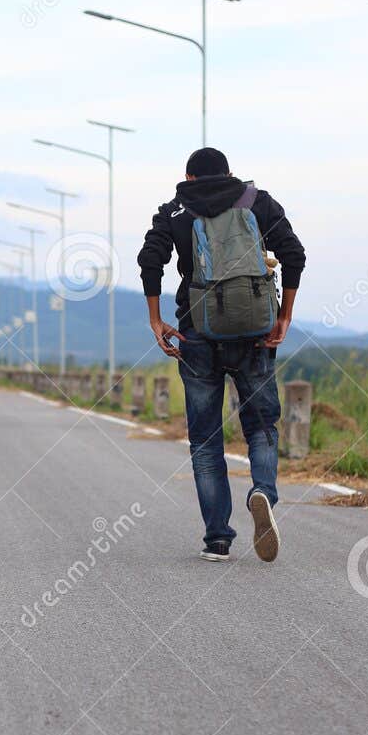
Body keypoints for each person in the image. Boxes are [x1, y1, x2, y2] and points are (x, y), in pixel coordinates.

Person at [138, 147, 305, 563]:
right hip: (254, 332)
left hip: (197, 334)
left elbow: (150, 261)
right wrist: (282, 317)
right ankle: (262, 491)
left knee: (206, 441)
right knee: (262, 426)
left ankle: (217, 538)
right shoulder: (255, 201)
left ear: (189, 178)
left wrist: (156, 320)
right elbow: (294, 255)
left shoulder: (175, 210)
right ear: (230, 173)